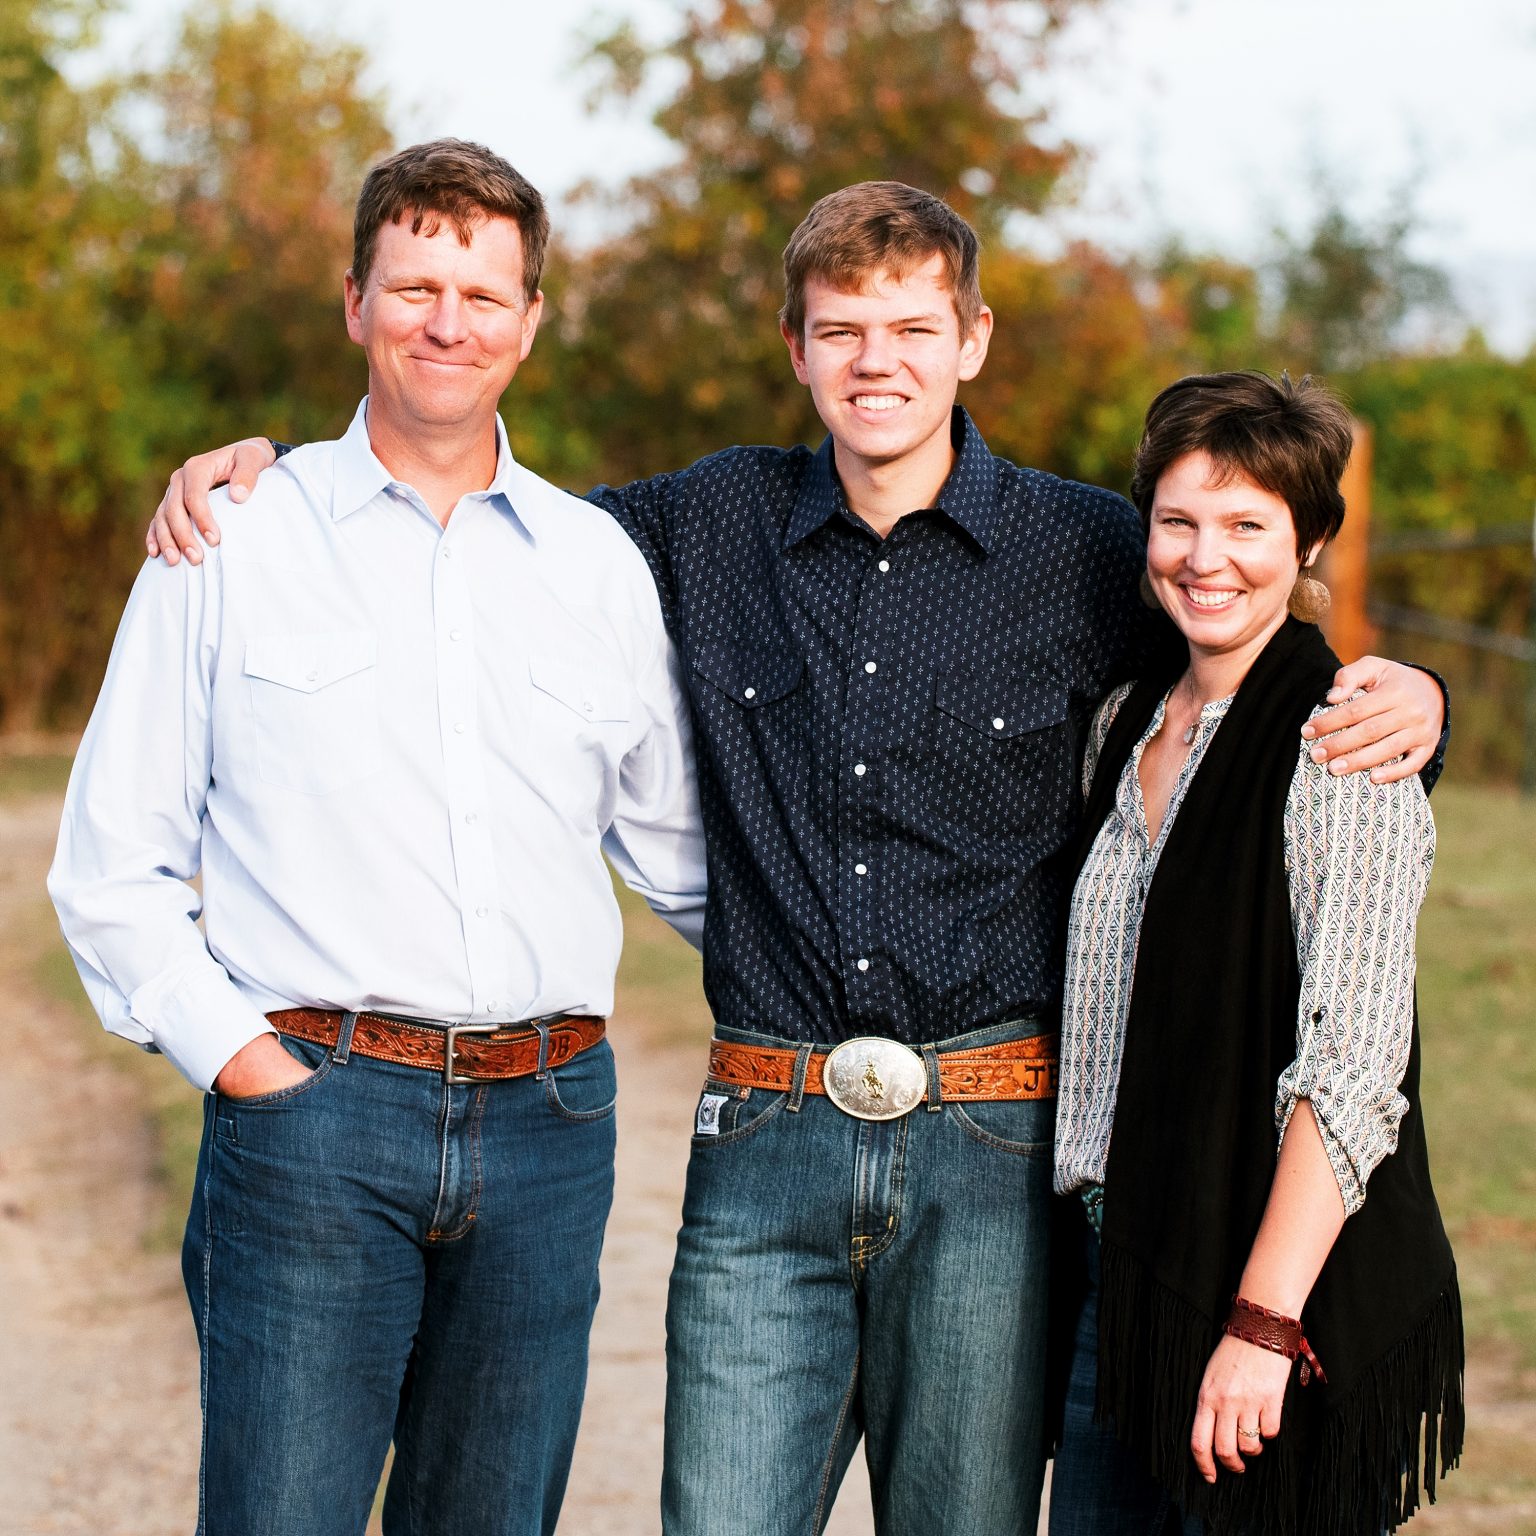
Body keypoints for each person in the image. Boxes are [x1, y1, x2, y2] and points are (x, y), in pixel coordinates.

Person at [144, 183, 1448, 1535]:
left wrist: (1414, 700)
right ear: (795, 345)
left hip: (989, 1144)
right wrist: (280, 476)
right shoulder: (700, 526)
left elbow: (1240, 645)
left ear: (973, 339)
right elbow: (472, 514)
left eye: (911, 326)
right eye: (841, 329)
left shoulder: (1089, 548)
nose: (876, 360)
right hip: (763, 1132)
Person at [48, 139, 707, 1536]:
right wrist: (250, 1071)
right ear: (355, 302)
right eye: (414, 286)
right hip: (316, 1118)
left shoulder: (599, 567)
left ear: (531, 320)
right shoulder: (229, 538)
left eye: (483, 292)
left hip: (551, 1128)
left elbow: (686, 855)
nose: (446, 321)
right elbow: (114, 868)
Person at [1049, 371, 1463, 1536]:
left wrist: (1263, 1324)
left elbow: (1352, 1068)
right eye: (1179, 521)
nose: (1206, 557)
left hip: (1263, 1290)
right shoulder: (1120, 722)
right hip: (1117, 1276)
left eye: (1247, 526)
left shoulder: (1346, 746)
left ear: (1310, 540)